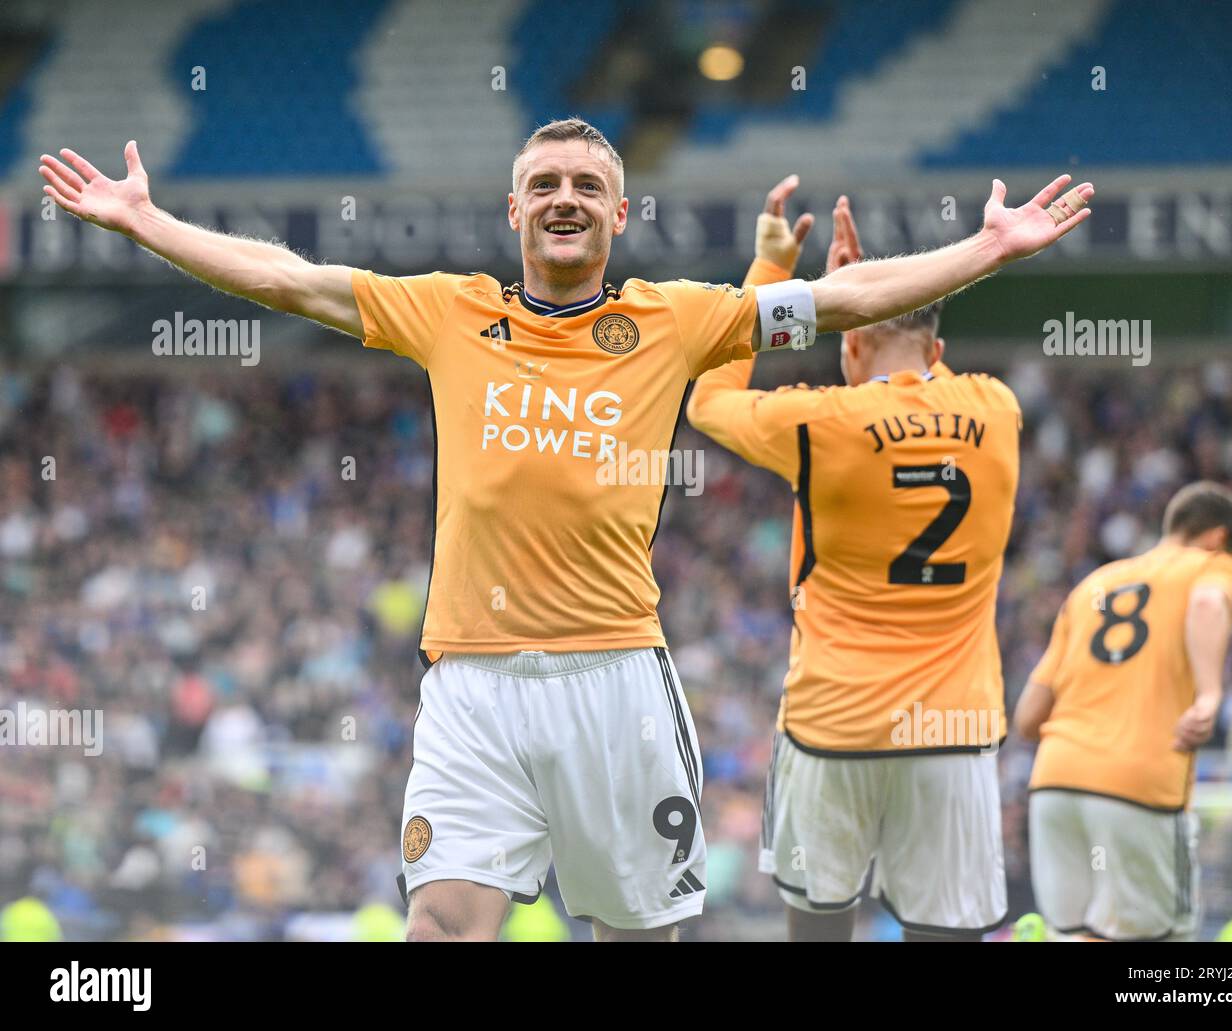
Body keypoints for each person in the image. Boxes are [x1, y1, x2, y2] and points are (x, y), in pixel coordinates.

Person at [40, 118, 1092, 941]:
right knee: (442, 922)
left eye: (586, 186)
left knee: (640, 929)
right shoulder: (445, 310)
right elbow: (290, 277)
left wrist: (986, 249)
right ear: (514, 209)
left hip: (615, 682)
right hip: (471, 683)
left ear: (618, 215)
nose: (564, 199)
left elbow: (839, 298)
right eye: (545, 184)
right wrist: (149, 224)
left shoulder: (676, 319)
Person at [688, 180, 1022, 941]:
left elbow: (708, 397)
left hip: (831, 725)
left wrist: (779, 274)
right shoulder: (997, 409)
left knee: (819, 932)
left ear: (849, 342)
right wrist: (864, 295)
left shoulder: (819, 422)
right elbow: (917, 379)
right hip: (954, 728)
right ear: (939, 351)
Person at [1014, 482, 1232, 941]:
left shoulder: (1091, 586)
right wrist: (1209, 694)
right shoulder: (1213, 567)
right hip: (1139, 784)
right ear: (1219, 538)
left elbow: (1027, 718)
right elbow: (1207, 602)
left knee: (1078, 932)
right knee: (1164, 938)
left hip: (1054, 784)